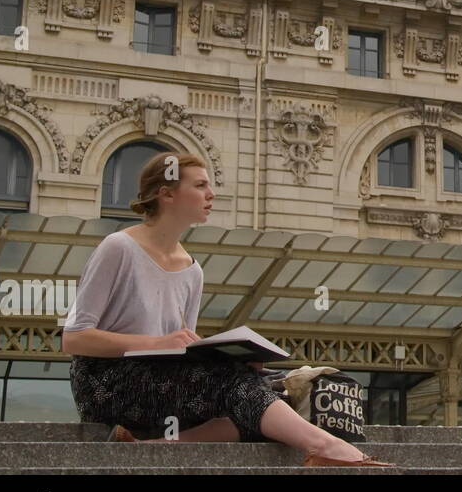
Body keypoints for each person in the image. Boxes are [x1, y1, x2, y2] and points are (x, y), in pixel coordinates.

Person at [63, 152, 391, 467]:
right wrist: (156, 343)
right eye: (200, 185)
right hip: (105, 385)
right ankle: (325, 447)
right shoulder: (118, 247)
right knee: (234, 385)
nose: (211, 194)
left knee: (275, 387)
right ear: (167, 194)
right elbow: (74, 339)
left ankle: (153, 447)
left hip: (160, 383)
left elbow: (181, 354)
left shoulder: (193, 270)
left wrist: (229, 356)